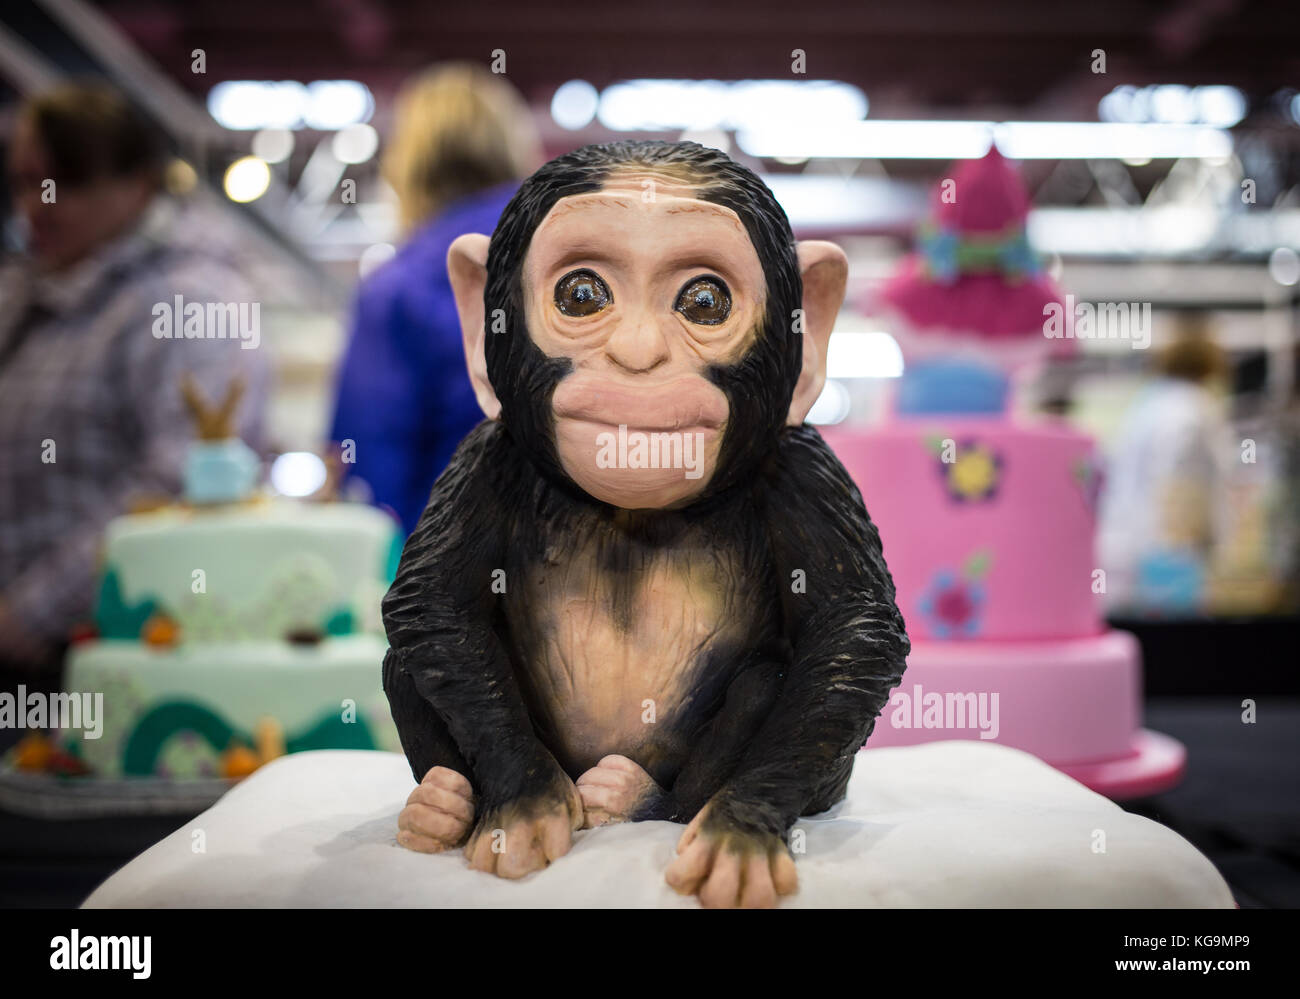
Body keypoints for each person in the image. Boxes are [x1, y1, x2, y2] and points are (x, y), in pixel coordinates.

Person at [0, 82, 267, 701]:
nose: (37, 204)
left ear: (139, 183)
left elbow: (179, 478)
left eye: (67, 181)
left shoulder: (188, 299)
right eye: (24, 182)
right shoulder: (28, 290)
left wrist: (32, 612)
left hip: (103, 654)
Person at [329, 63, 542, 535]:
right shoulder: (568, 263)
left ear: (408, 161)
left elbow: (368, 468)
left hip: (450, 569)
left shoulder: (396, 289)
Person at [1097, 312, 1230, 615]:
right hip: (1165, 557)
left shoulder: (1147, 404)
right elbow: (1179, 485)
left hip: (1125, 546)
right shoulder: (1193, 410)